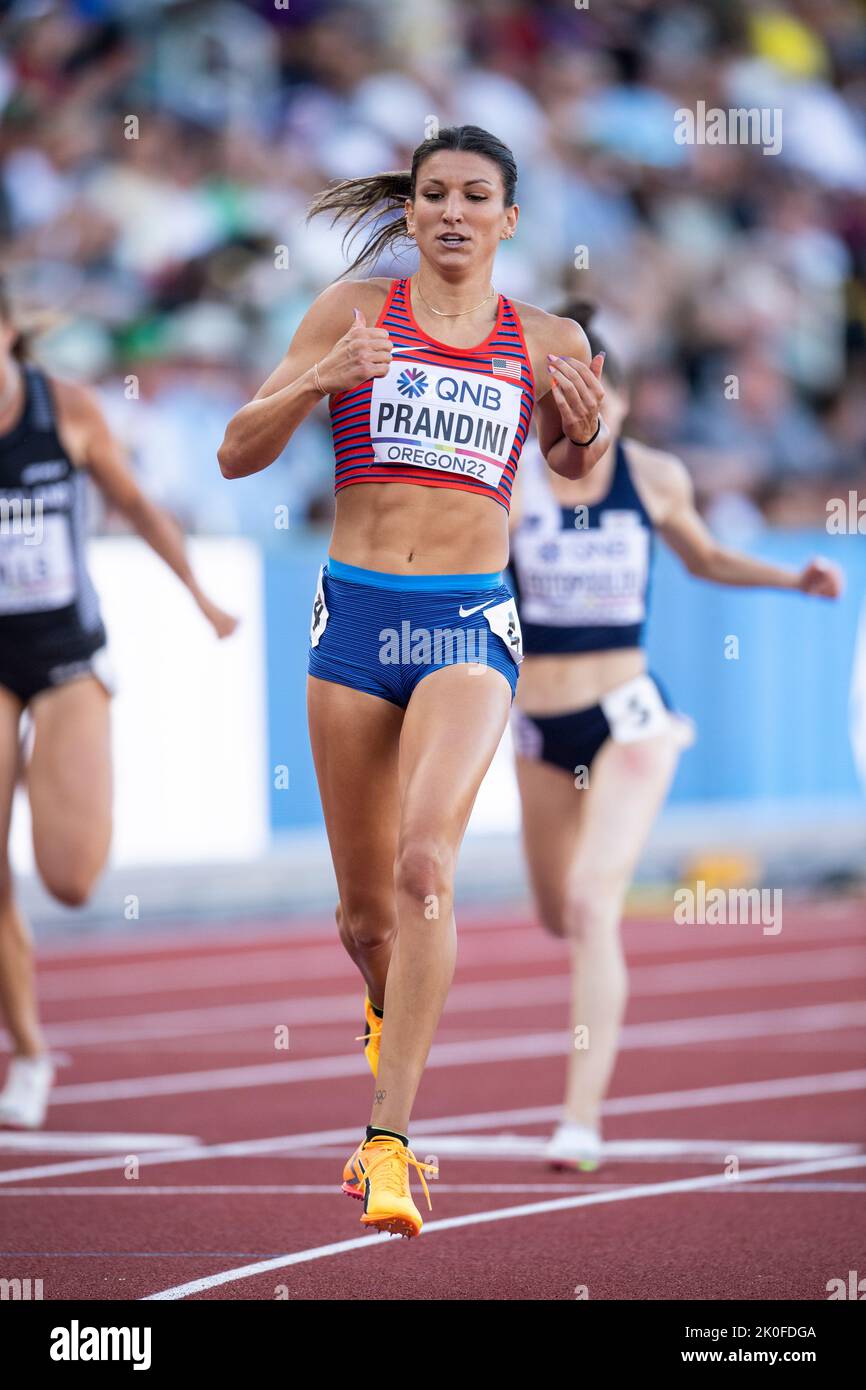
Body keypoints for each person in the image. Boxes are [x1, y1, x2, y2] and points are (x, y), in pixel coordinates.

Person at [218, 125, 609, 1237]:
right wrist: (316, 381)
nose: (448, 210)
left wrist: (578, 438)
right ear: (409, 210)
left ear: (506, 219)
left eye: (472, 195)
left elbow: (573, 465)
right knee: (360, 916)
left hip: (464, 623)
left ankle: (384, 1144)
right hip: (353, 616)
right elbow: (236, 450)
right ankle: (383, 1010)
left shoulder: (547, 339)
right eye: (431, 192)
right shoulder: (348, 314)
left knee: (424, 864)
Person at [507, 301, 844, 1169]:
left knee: (591, 905)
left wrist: (788, 578)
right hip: (540, 726)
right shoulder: (511, 484)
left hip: (630, 713)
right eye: (562, 402)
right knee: (556, 911)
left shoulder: (653, 477)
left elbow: (703, 556)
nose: (583, 423)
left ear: (616, 402)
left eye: (599, 403)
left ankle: (579, 1120)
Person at [0, 281, 238, 1129]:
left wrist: (202, 597)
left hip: (65, 659)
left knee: (69, 879)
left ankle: (50, 769)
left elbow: (136, 505)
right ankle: (28, 1053)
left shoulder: (64, 409)